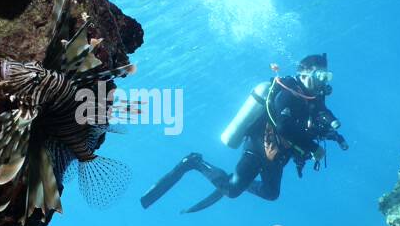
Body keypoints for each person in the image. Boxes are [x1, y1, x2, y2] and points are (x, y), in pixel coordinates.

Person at [140, 53, 349, 213]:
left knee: (271, 193)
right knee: (232, 191)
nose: (322, 82)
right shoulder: (286, 94)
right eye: (319, 76)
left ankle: (237, 179)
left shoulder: (314, 97)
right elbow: (284, 127)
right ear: (303, 74)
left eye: (326, 76)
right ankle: (195, 162)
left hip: (279, 155)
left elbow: (318, 116)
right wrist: (312, 148)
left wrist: (333, 129)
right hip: (258, 147)